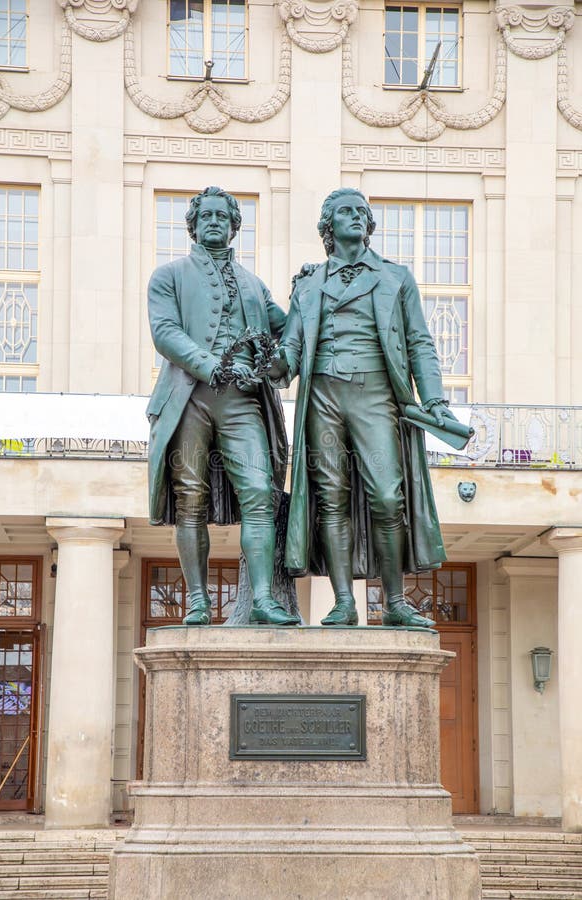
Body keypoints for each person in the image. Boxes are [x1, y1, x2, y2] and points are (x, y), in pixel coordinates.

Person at [269, 188, 458, 627]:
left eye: (362, 212)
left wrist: (434, 399)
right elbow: (292, 347)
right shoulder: (309, 283)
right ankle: (343, 602)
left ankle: (394, 602)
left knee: (388, 497)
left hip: (376, 395)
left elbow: (419, 344)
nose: (356, 217)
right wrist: (276, 362)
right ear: (328, 227)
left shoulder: (396, 278)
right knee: (330, 498)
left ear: (369, 226)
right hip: (323, 398)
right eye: (345, 212)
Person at [146, 186, 299, 626]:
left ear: (234, 226)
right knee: (190, 498)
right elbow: (166, 332)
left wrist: (307, 297)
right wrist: (211, 365)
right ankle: (197, 600)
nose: (214, 222)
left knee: (260, 493)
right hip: (188, 397)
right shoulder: (168, 275)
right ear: (193, 225)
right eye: (206, 216)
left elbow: (288, 329)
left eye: (223, 216)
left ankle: (263, 600)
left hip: (242, 402)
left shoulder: (254, 284)